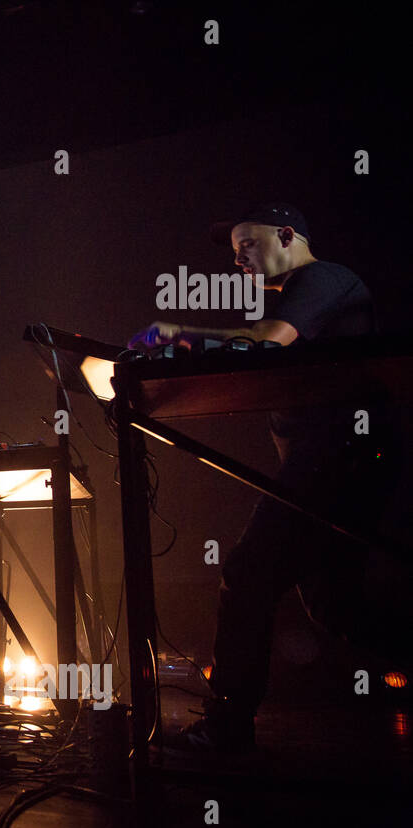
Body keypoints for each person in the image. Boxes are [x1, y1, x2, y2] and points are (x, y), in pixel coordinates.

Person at [130, 203, 402, 753]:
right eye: (233, 256)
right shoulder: (312, 296)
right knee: (338, 610)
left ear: (286, 234)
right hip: (335, 466)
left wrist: (177, 336)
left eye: (246, 246)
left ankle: (228, 729)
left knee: (249, 572)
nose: (239, 262)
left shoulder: (322, 279)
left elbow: (267, 342)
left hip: (338, 464)